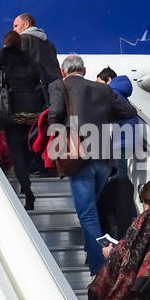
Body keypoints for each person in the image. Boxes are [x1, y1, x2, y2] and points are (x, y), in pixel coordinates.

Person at [47, 54, 134, 275]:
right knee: (91, 208)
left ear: (64, 72)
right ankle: (91, 253)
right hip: (104, 156)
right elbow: (128, 111)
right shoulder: (103, 89)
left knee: (86, 213)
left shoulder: (59, 85)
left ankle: (100, 266)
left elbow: (55, 113)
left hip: (78, 156)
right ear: (84, 71)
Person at [0, 31, 44, 211]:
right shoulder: (29, 59)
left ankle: (29, 195)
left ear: (5, 43)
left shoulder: (2, 55)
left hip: (13, 110)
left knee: (17, 154)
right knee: (28, 147)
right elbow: (38, 82)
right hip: (32, 111)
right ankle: (25, 181)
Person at [14, 13, 62, 96]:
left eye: (16, 26)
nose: (14, 30)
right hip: (54, 90)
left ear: (26, 24)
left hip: (35, 92)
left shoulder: (22, 39)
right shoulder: (49, 44)